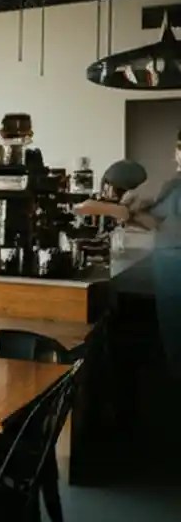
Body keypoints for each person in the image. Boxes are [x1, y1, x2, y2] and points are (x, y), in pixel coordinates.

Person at [76, 141, 181, 376]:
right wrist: (130, 215)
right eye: (178, 147)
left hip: (176, 270)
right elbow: (155, 222)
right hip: (168, 273)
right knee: (172, 341)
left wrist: (102, 208)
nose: (178, 154)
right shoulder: (173, 186)